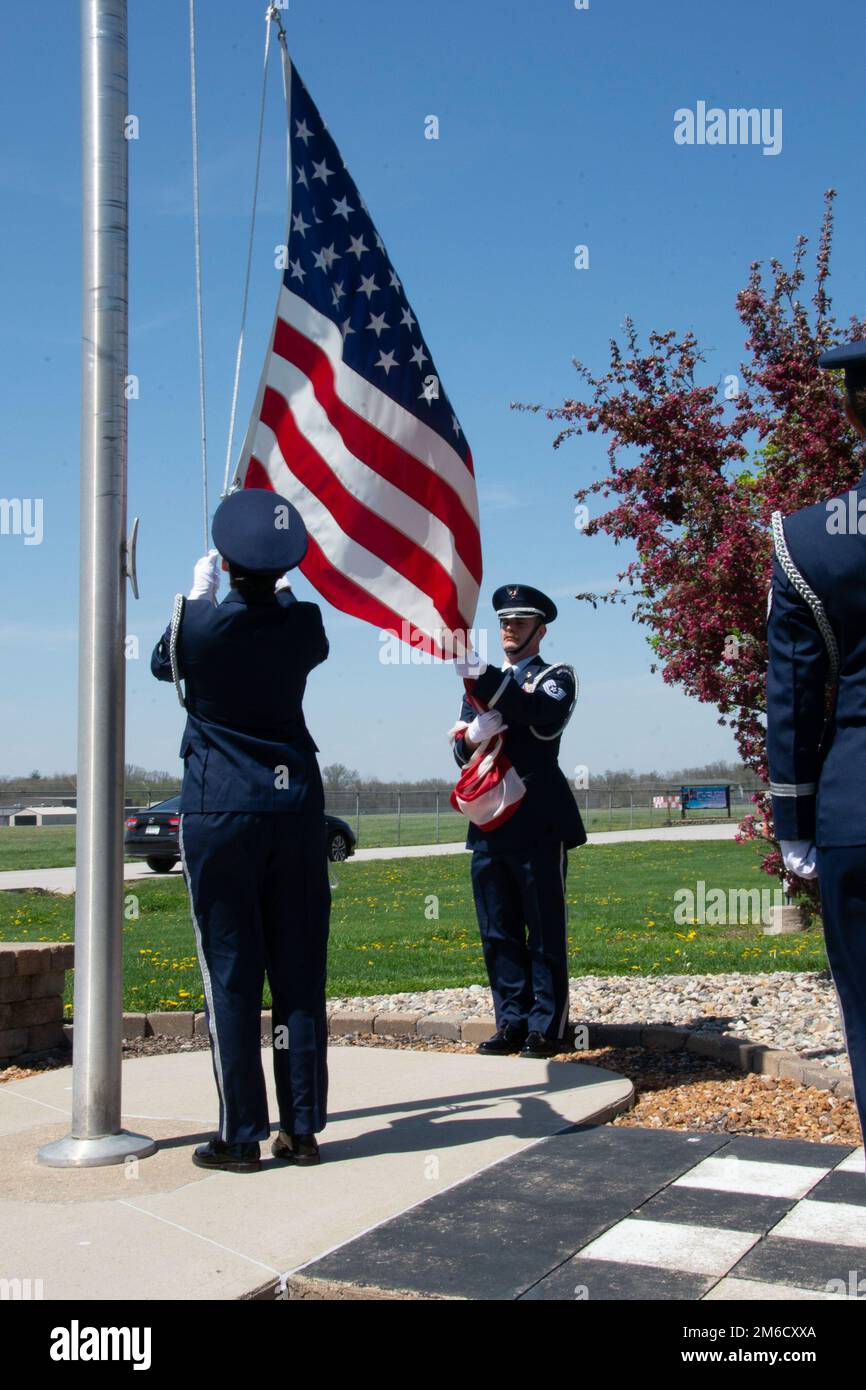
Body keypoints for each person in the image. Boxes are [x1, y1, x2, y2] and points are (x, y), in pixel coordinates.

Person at [151, 488, 331, 1173]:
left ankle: (241, 1133)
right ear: (284, 566)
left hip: (219, 808)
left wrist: (196, 598)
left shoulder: (195, 626)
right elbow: (296, 631)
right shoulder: (304, 623)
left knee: (231, 974)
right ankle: (304, 1127)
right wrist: (274, 592)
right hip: (293, 811)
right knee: (298, 973)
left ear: (223, 563)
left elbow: (163, 665)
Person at [766, 339, 866, 1163]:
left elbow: (793, 695)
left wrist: (792, 821)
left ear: (850, 411)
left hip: (853, 807)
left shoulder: (808, 539)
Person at [450, 585, 586, 1059]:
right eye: (505, 622)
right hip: (489, 820)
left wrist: (482, 676)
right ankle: (511, 1020)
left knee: (543, 926)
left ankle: (547, 1026)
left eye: (520, 622)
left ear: (540, 629)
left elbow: (540, 718)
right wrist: (470, 736)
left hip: (537, 818)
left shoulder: (555, 676)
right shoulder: (483, 684)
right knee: (497, 927)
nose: (509, 629)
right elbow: (459, 751)